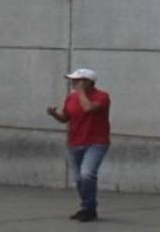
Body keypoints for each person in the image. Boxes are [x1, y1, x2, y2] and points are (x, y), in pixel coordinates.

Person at [46, 68, 112, 222]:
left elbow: (88, 108)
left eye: (77, 80)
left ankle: (89, 209)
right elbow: (65, 118)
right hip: (74, 143)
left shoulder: (102, 96)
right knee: (79, 179)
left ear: (88, 82)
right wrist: (54, 114)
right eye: (72, 80)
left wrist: (81, 92)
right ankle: (88, 208)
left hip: (96, 143)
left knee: (87, 174)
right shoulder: (71, 98)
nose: (73, 83)